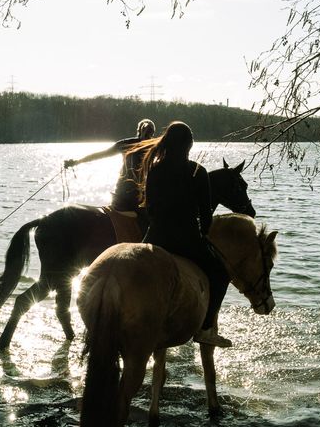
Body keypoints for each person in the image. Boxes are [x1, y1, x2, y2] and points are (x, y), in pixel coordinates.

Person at [137, 121, 233, 348]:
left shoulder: (155, 170)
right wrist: (203, 234)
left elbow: (149, 209)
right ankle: (206, 329)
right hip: (186, 239)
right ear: (189, 145)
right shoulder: (198, 172)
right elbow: (206, 215)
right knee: (221, 274)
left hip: (156, 236)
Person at [63, 118, 156, 213]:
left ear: (138, 131)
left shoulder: (125, 144)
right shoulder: (153, 147)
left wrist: (76, 162)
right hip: (137, 195)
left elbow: (100, 155)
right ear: (152, 134)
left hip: (121, 193)